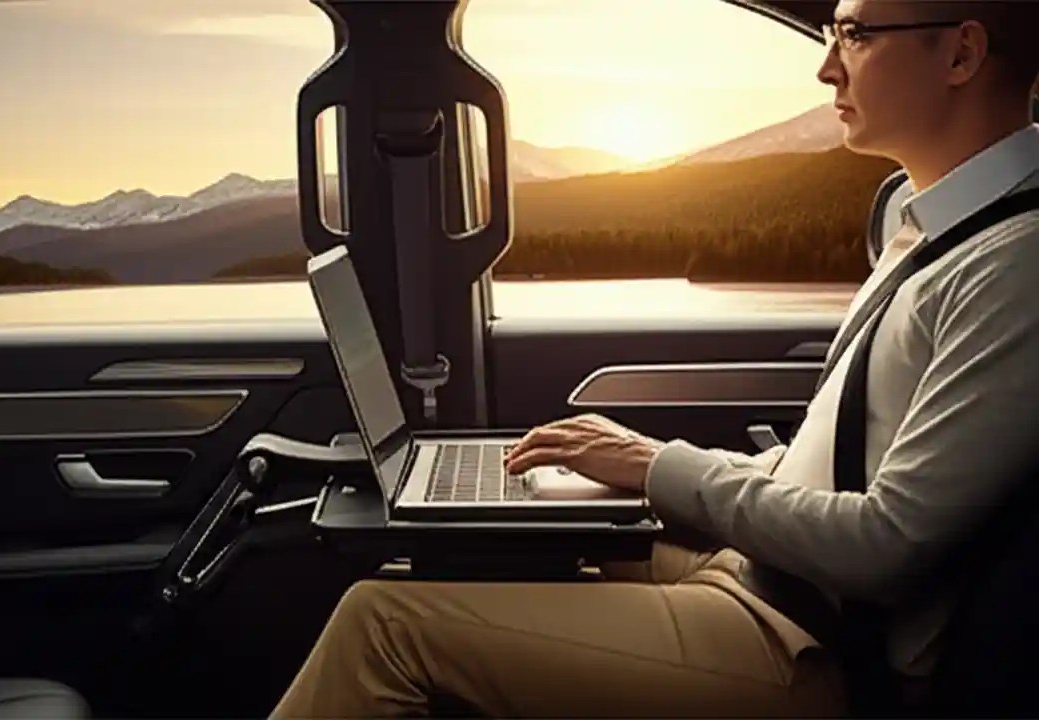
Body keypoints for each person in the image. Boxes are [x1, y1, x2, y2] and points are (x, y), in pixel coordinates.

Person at [271, 0, 1039, 716]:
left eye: (856, 35)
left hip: (812, 645)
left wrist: (655, 467)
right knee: (450, 564)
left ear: (961, 54)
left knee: (381, 625)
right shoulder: (935, 229)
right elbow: (835, 466)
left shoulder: (1014, 267)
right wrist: (639, 469)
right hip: (761, 576)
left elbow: (886, 545)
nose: (828, 66)